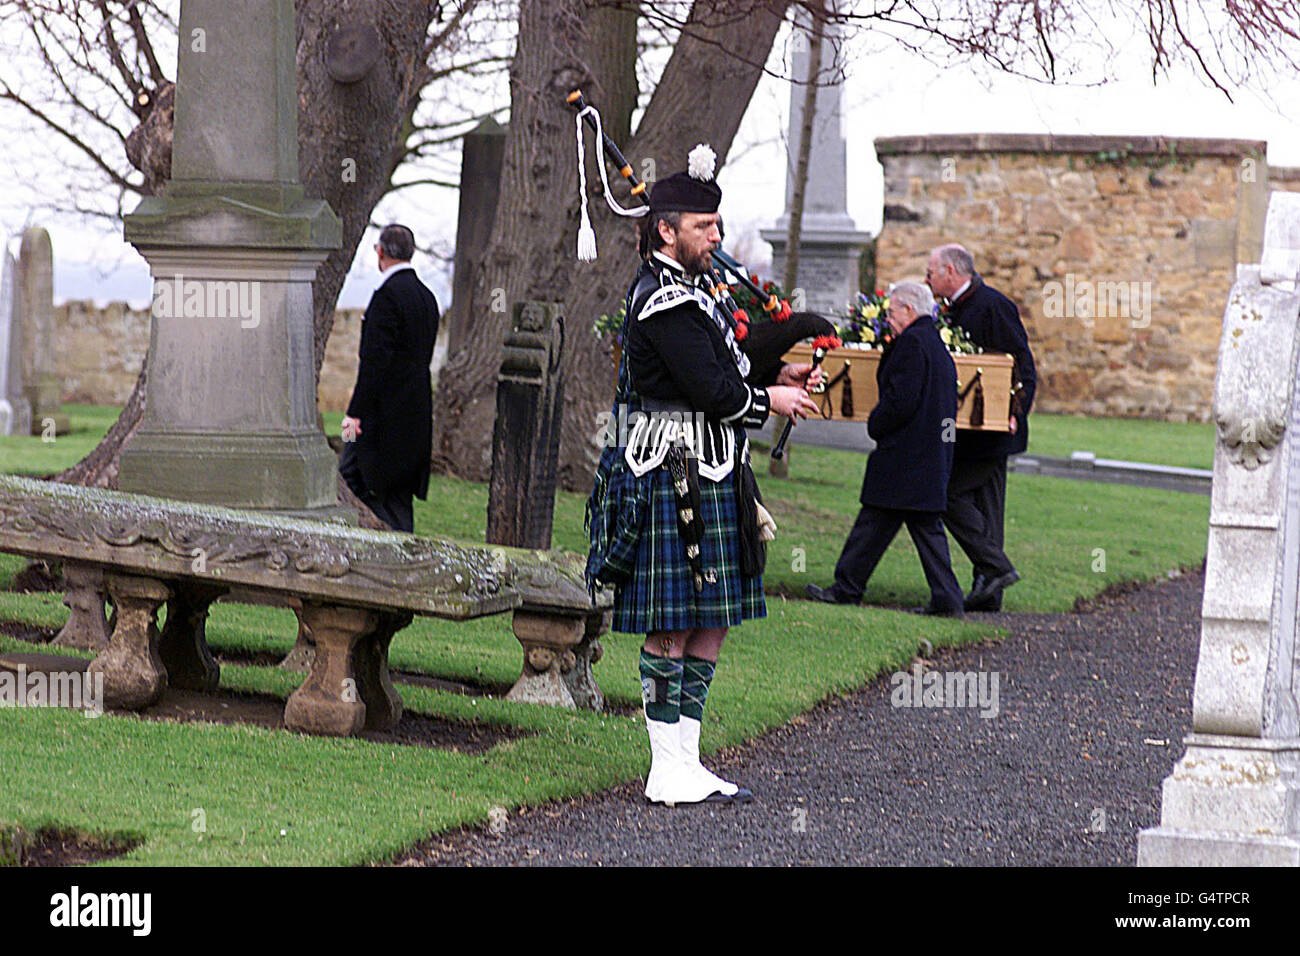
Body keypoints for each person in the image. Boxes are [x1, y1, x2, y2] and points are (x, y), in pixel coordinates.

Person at [585, 144, 820, 807]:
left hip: (714, 466)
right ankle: (664, 765)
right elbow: (714, 392)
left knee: (710, 618)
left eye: (716, 228)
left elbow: (728, 370)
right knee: (672, 621)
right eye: (704, 228)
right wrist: (768, 401)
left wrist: (778, 375)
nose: (715, 238)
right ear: (666, 229)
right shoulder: (660, 299)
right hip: (670, 470)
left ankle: (688, 758)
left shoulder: (691, 291)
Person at [804, 281, 964, 616]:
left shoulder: (911, 345)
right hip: (926, 456)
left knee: (878, 524)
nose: (888, 318)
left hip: (905, 456)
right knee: (900, 526)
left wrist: (876, 422)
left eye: (891, 312)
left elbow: (900, 401)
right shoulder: (934, 345)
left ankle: (849, 587)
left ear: (909, 310)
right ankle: (945, 598)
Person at [925, 244, 1037, 611]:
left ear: (951, 272)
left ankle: (996, 568)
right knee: (988, 510)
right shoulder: (956, 308)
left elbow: (1020, 363)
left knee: (947, 494)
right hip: (973, 428)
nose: (927, 279)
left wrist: (1015, 412)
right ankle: (989, 591)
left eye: (931, 272)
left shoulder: (991, 305)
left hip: (993, 429)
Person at [339, 224, 440, 533]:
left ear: (380, 252)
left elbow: (373, 365)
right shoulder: (427, 298)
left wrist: (353, 415)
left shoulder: (386, 297)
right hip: (417, 412)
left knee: (350, 477)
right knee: (397, 498)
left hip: (379, 418)